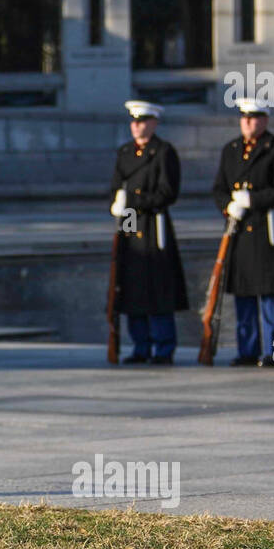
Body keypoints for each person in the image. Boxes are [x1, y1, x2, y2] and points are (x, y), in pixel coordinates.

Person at [211, 98, 274, 366]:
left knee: (273, 300)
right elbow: (219, 188)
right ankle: (247, 350)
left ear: (265, 120)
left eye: (254, 117)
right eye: (244, 117)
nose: (248, 122)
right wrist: (228, 206)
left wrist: (253, 199)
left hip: (267, 231)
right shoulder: (231, 149)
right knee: (244, 298)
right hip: (240, 235)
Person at [107, 100, 189, 364]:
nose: (136, 126)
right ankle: (140, 345)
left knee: (158, 288)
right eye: (133, 121)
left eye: (142, 121)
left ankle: (164, 347)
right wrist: (117, 203)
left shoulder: (163, 152)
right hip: (130, 221)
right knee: (132, 286)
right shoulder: (125, 152)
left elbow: (167, 192)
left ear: (153, 123)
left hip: (154, 225)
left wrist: (132, 200)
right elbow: (116, 185)